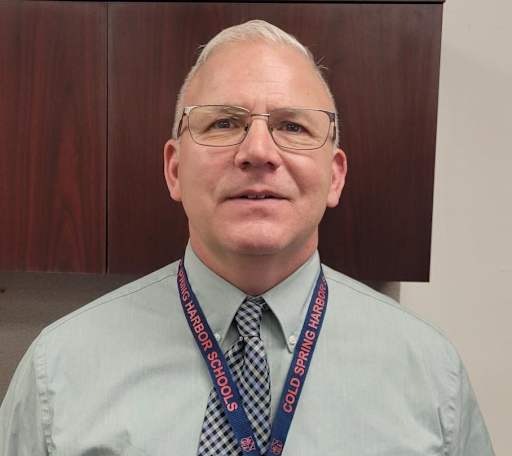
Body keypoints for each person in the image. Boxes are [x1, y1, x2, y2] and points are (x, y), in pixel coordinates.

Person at [0, 20, 494, 456]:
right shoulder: (56, 372)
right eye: (223, 122)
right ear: (175, 169)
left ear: (335, 176)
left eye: (292, 126)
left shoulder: (433, 377)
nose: (258, 151)